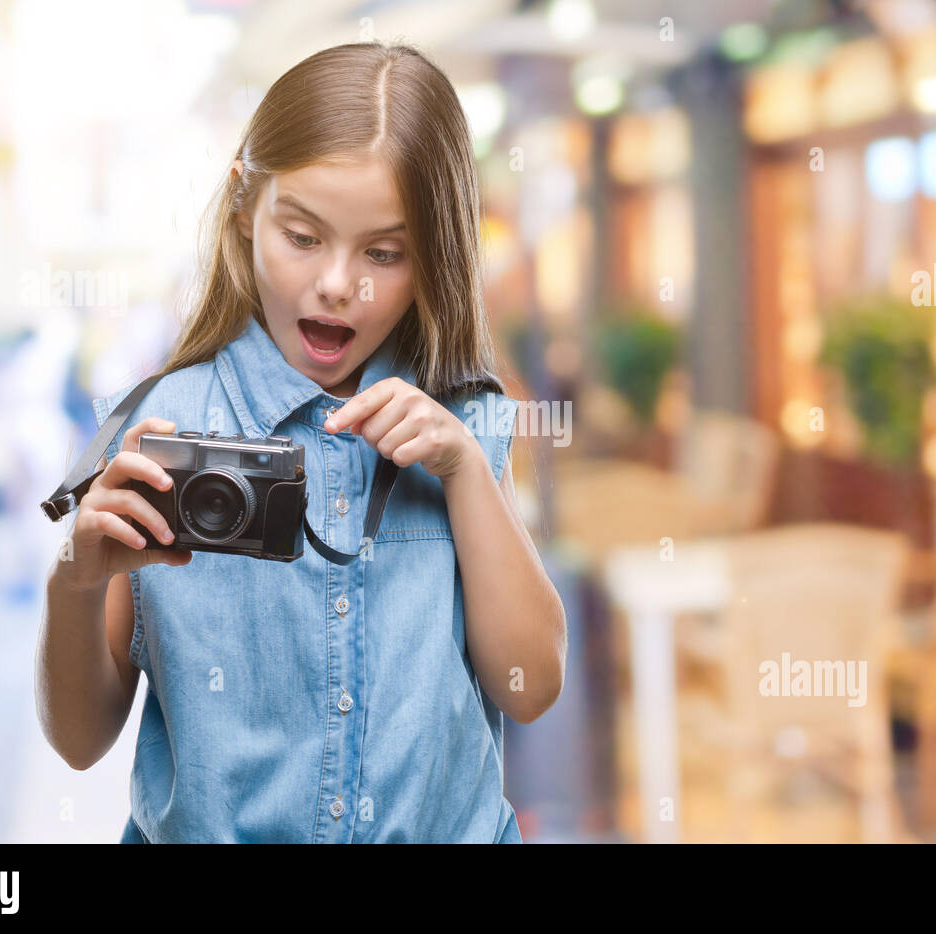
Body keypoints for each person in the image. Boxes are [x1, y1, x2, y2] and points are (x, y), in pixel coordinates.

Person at [35, 43, 567, 843]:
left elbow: (529, 688)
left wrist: (462, 472)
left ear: (431, 259)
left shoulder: (464, 425)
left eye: (384, 253)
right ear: (246, 204)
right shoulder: (157, 429)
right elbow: (80, 745)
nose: (337, 283)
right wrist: (73, 584)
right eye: (304, 236)